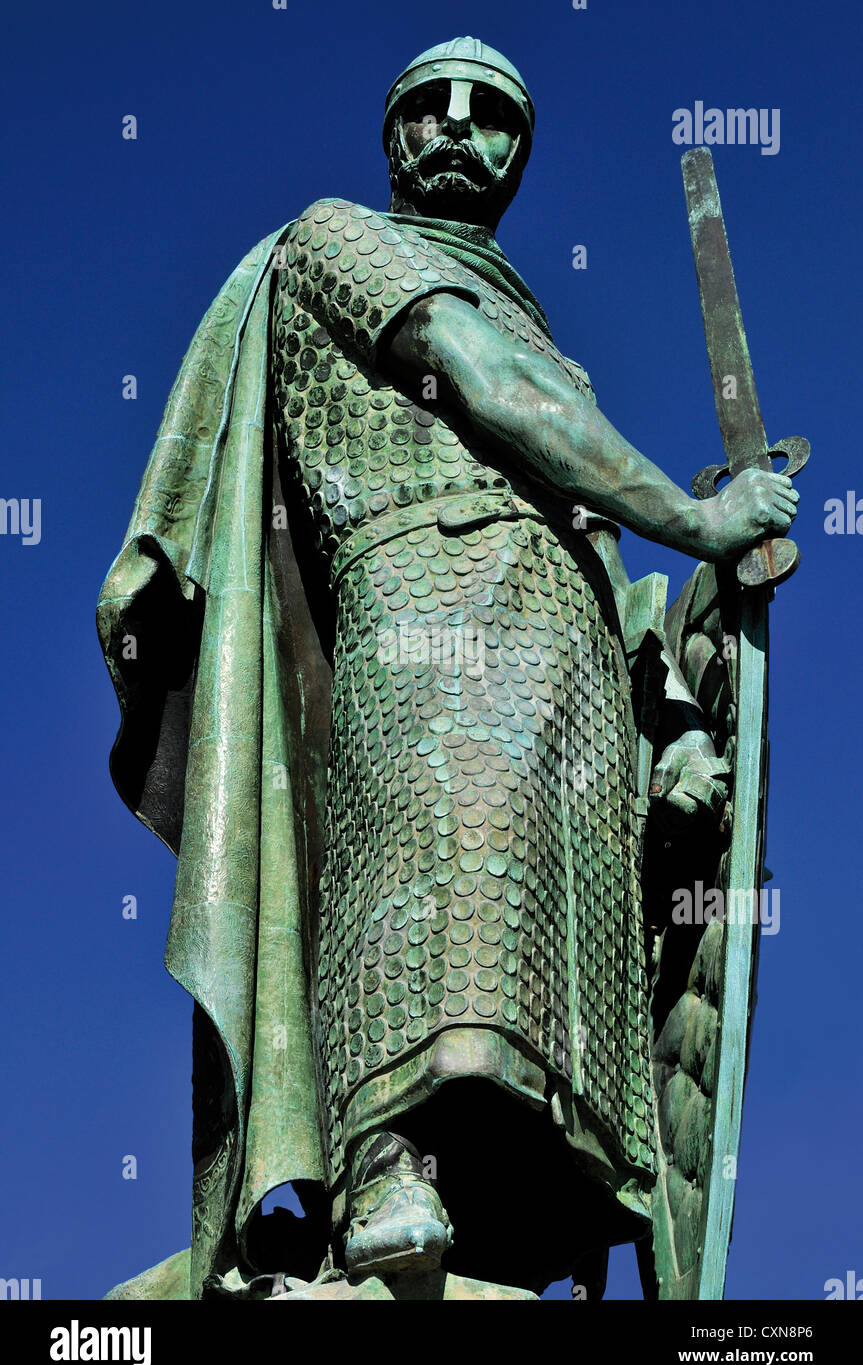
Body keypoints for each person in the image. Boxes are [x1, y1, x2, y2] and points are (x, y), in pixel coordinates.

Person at [99, 36, 797, 1299]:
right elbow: (494, 390)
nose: (460, 131)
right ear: (392, 133)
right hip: (425, 602)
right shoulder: (342, 246)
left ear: (520, 155)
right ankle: (381, 1165)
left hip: (574, 667)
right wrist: (699, 520)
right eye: (432, 107)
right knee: (434, 875)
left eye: (493, 117)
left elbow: (603, 559)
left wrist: (679, 715)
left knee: (558, 955)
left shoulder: (555, 351)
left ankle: (522, 1223)